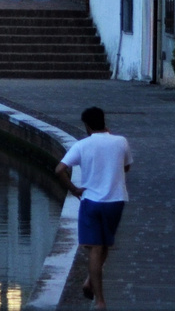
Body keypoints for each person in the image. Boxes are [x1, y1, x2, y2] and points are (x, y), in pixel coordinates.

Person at [56, 106, 132, 309]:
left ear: (87, 126)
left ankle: (100, 301)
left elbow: (59, 169)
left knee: (95, 249)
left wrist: (73, 189)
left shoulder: (82, 145)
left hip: (91, 201)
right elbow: (126, 167)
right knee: (105, 245)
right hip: (115, 201)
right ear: (104, 121)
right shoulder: (121, 141)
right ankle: (90, 281)